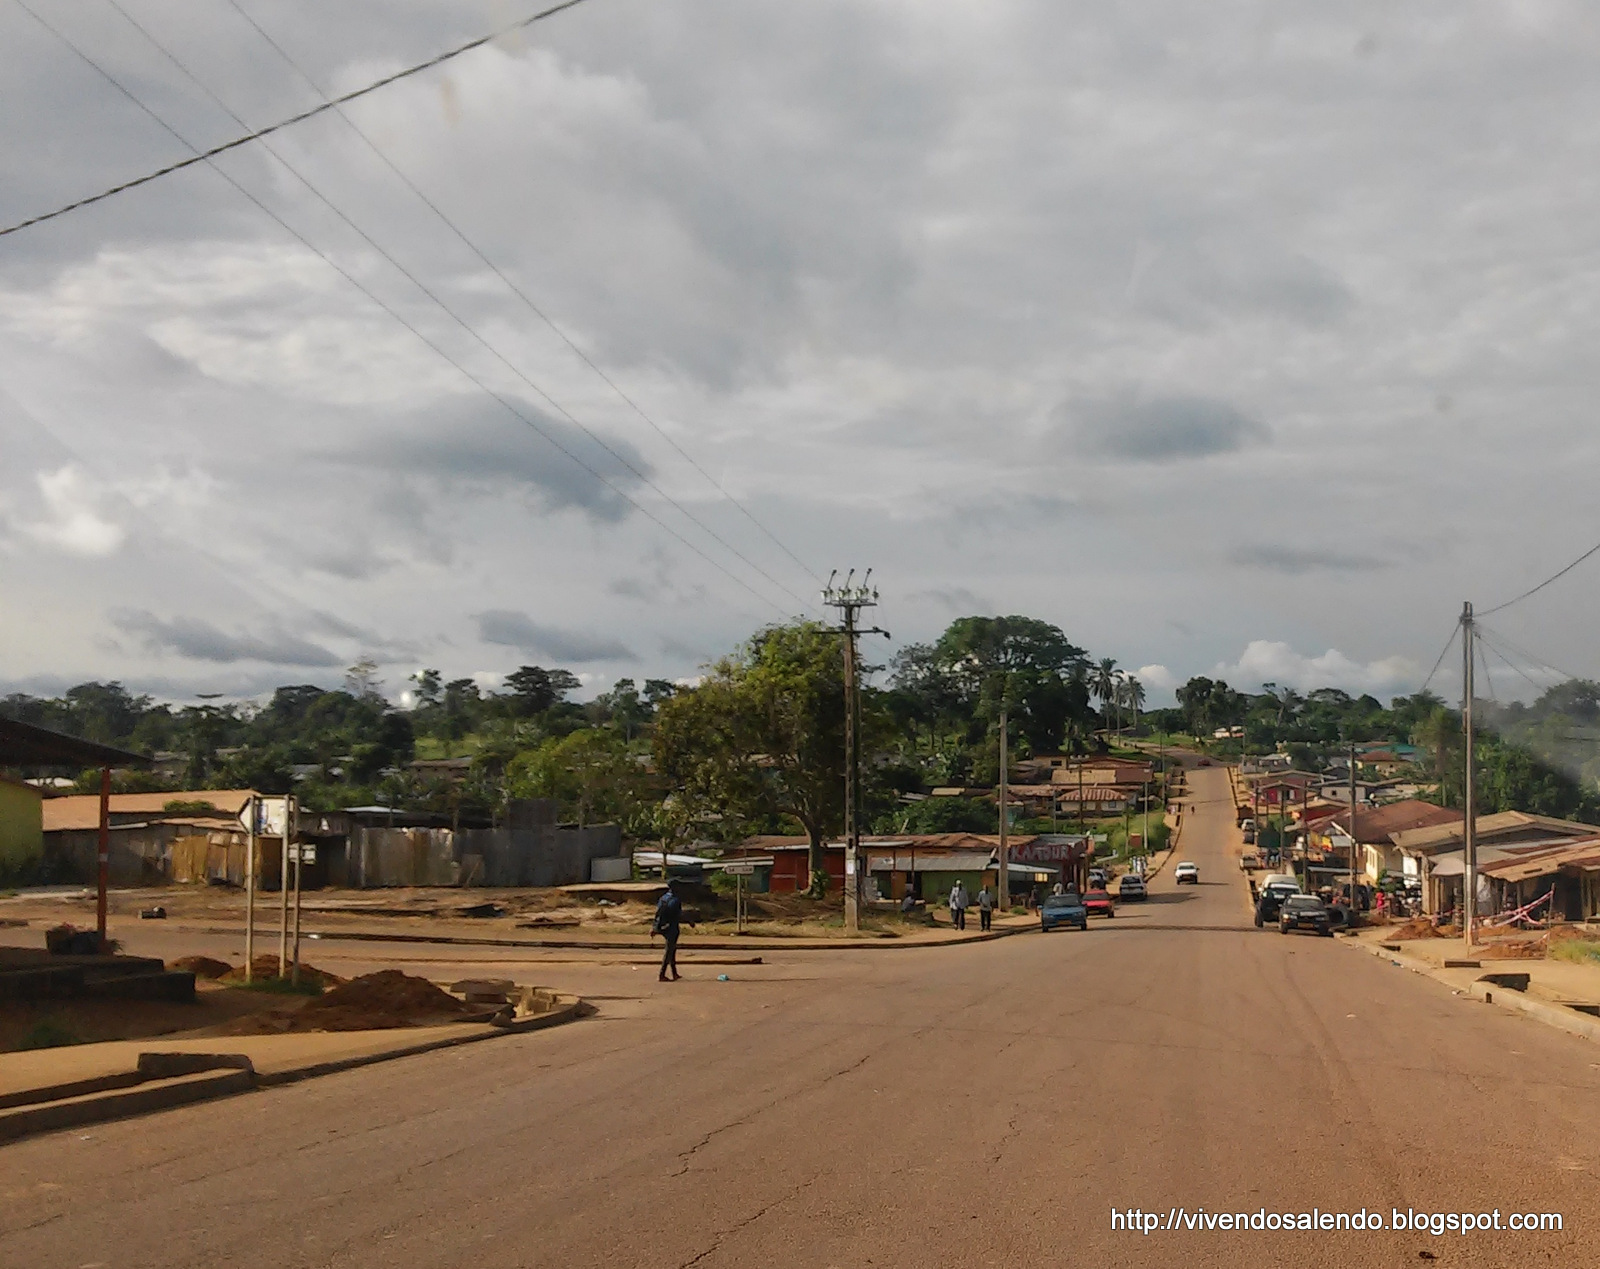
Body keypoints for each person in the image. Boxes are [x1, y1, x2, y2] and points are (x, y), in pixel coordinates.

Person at [652, 879, 683, 982]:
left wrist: (655, 927)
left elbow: (657, 913)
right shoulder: (675, 900)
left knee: (672, 949)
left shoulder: (664, 897)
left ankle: (674, 973)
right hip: (672, 927)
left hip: (662, 926)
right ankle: (662, 974)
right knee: (670, 950)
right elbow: (678, 915)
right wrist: (690, 921)